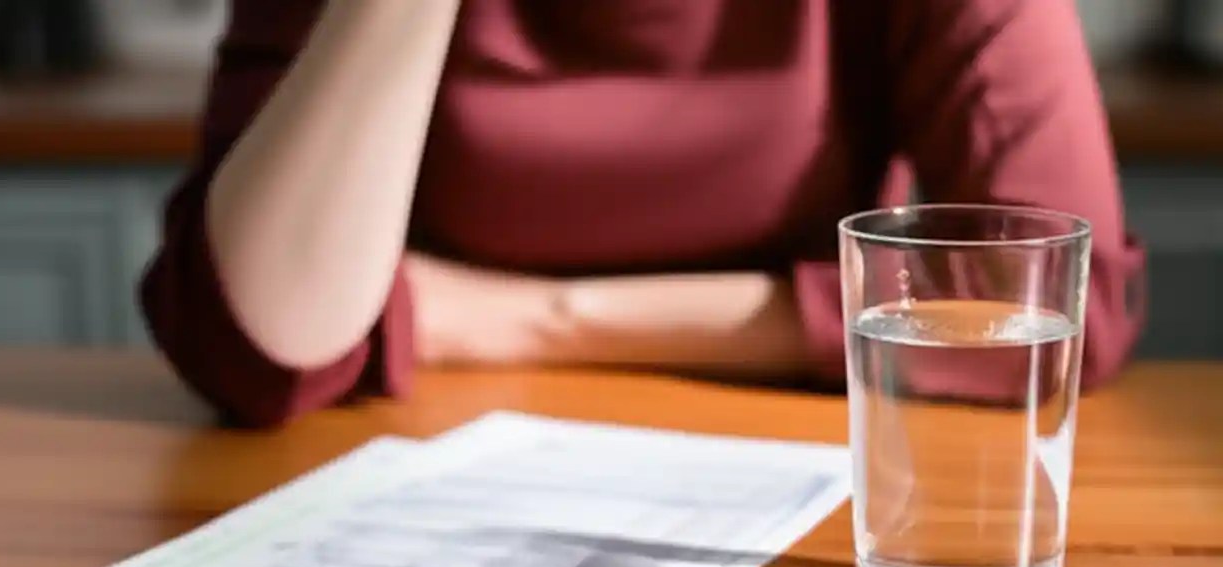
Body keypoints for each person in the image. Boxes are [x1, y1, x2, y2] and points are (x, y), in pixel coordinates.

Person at [142, 0, 1145, 427]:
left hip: (807, 483)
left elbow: (1058, 302)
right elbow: (252, 339)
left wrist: (523, 320)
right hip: (401, 478)